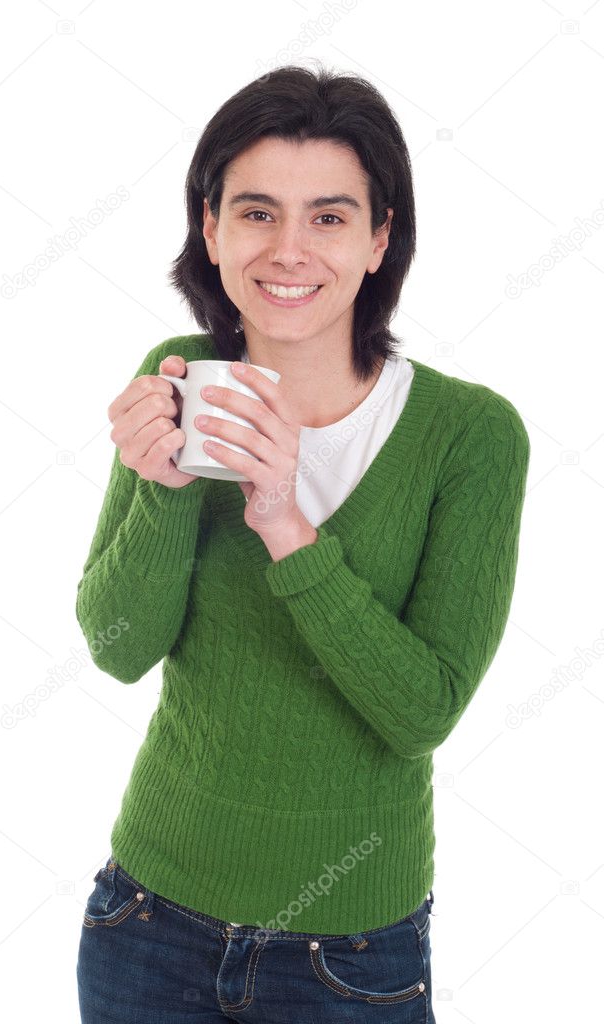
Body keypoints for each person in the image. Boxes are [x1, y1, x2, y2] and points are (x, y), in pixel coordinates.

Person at [75, 62, 530, 1023]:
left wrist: (285, 524)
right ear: (210, 229)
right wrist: (161, 491)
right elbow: (119, 648)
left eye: (328, 216)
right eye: (255, 213)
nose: (289, 250)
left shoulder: (471, 435)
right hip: (146, 924)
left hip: (351, 959)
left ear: (379, 239)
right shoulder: (177, 381)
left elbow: (422, 711)